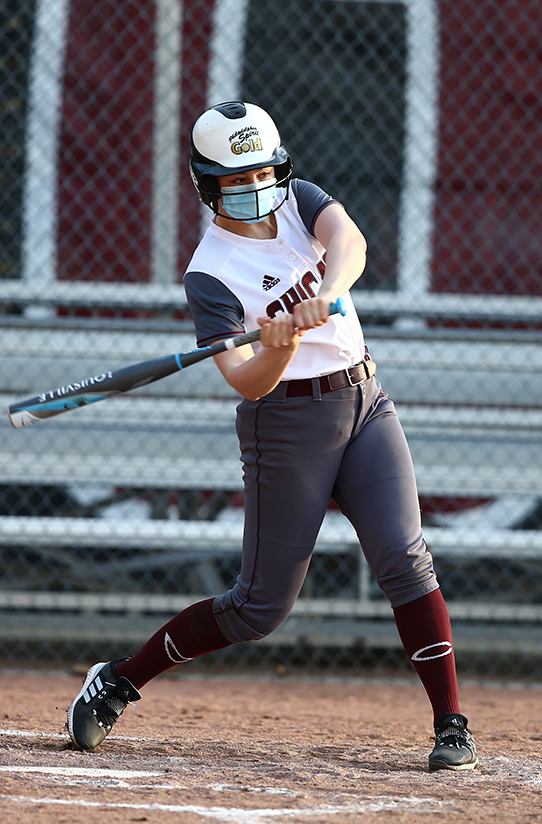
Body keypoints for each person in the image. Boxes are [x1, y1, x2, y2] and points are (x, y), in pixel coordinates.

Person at [65, 101, 478, 772]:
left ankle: (450, 724)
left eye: (263, 171)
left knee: (405, 560)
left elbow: (351, 243)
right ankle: (120, 677)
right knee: (259, 609)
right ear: (207, 184)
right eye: (238, 177)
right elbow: (246, 380)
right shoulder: (210, 273)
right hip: (286, 424)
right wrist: (281, 347)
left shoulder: (299, 204)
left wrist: (330, 291)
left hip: (364, 403)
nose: (257, 186)